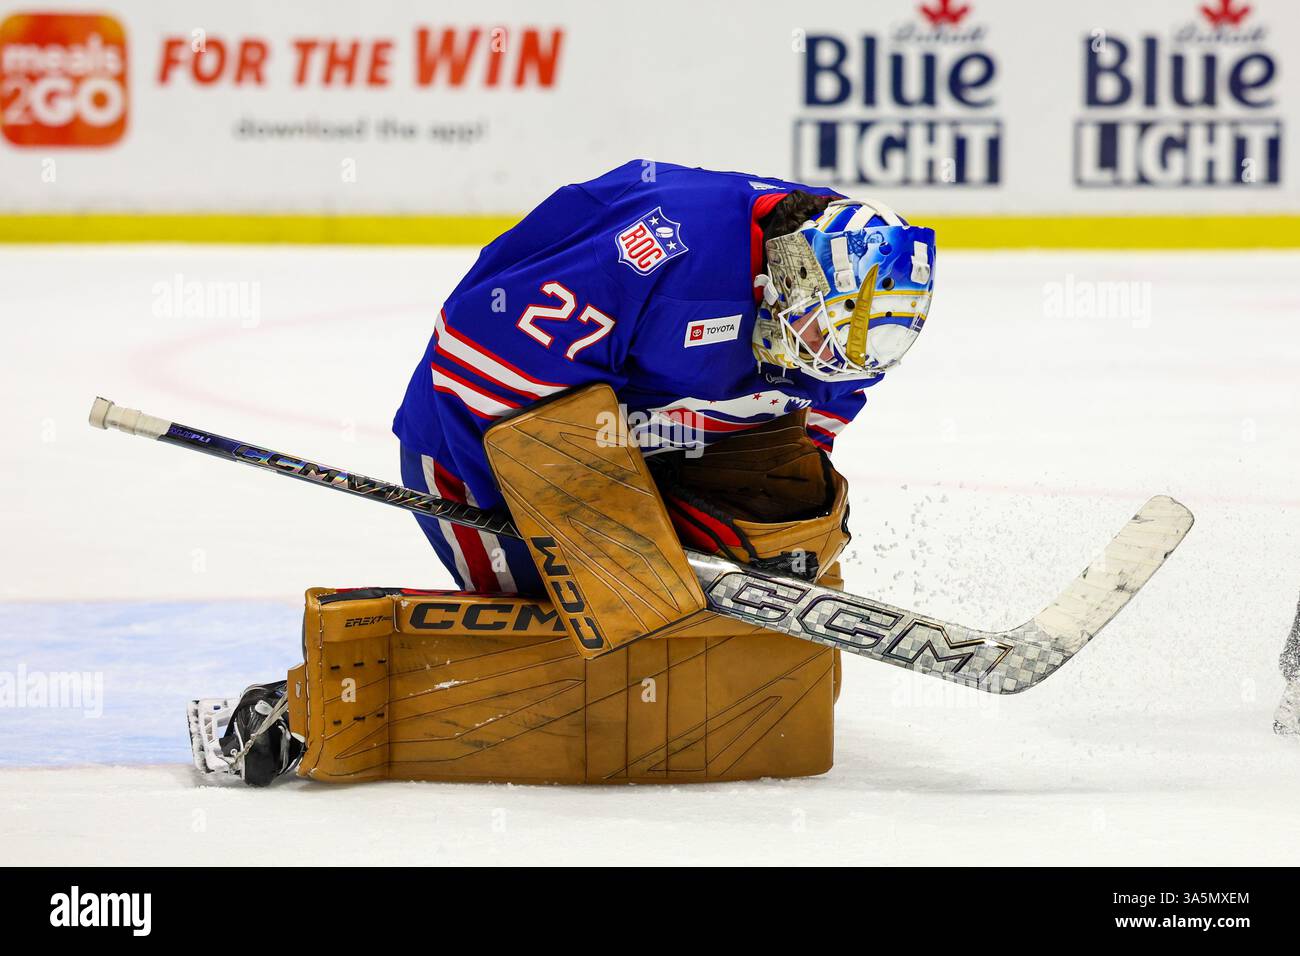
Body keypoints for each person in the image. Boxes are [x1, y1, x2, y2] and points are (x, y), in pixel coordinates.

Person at [392, 159, 936, 595]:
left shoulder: (843, 304)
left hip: (653, 444)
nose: (835, 365)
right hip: (470, 442)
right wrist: (538, 526)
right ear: (787, 277)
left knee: (781, 512)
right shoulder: (654, 252)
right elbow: (475, 363)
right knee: (556, 619)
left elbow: (819, 406)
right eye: (820, 335)